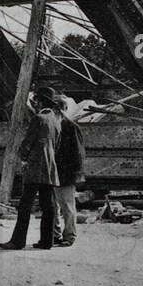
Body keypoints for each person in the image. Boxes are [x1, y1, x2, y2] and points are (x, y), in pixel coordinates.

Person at [0, 86, 61, 250]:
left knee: (25, 205)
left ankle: (17, 241)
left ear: (40, 102)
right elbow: (56, 146)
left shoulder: (38, 119)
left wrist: (23, 158)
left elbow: (28, 142)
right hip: (50, 170)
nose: (35, 104)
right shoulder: (56, 121)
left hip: (35, 168)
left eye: (36, 101)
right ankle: (47, 241)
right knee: (48, 206)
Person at [54, 104, 86, 247]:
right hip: (54, 173)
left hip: (66, 173)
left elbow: (78, 154)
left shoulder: (71, 127)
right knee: (53, 206)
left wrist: (77, 174)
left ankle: (69, 236)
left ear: (59, 111)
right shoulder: (54, 126)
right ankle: (55, 234)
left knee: (67, 206)